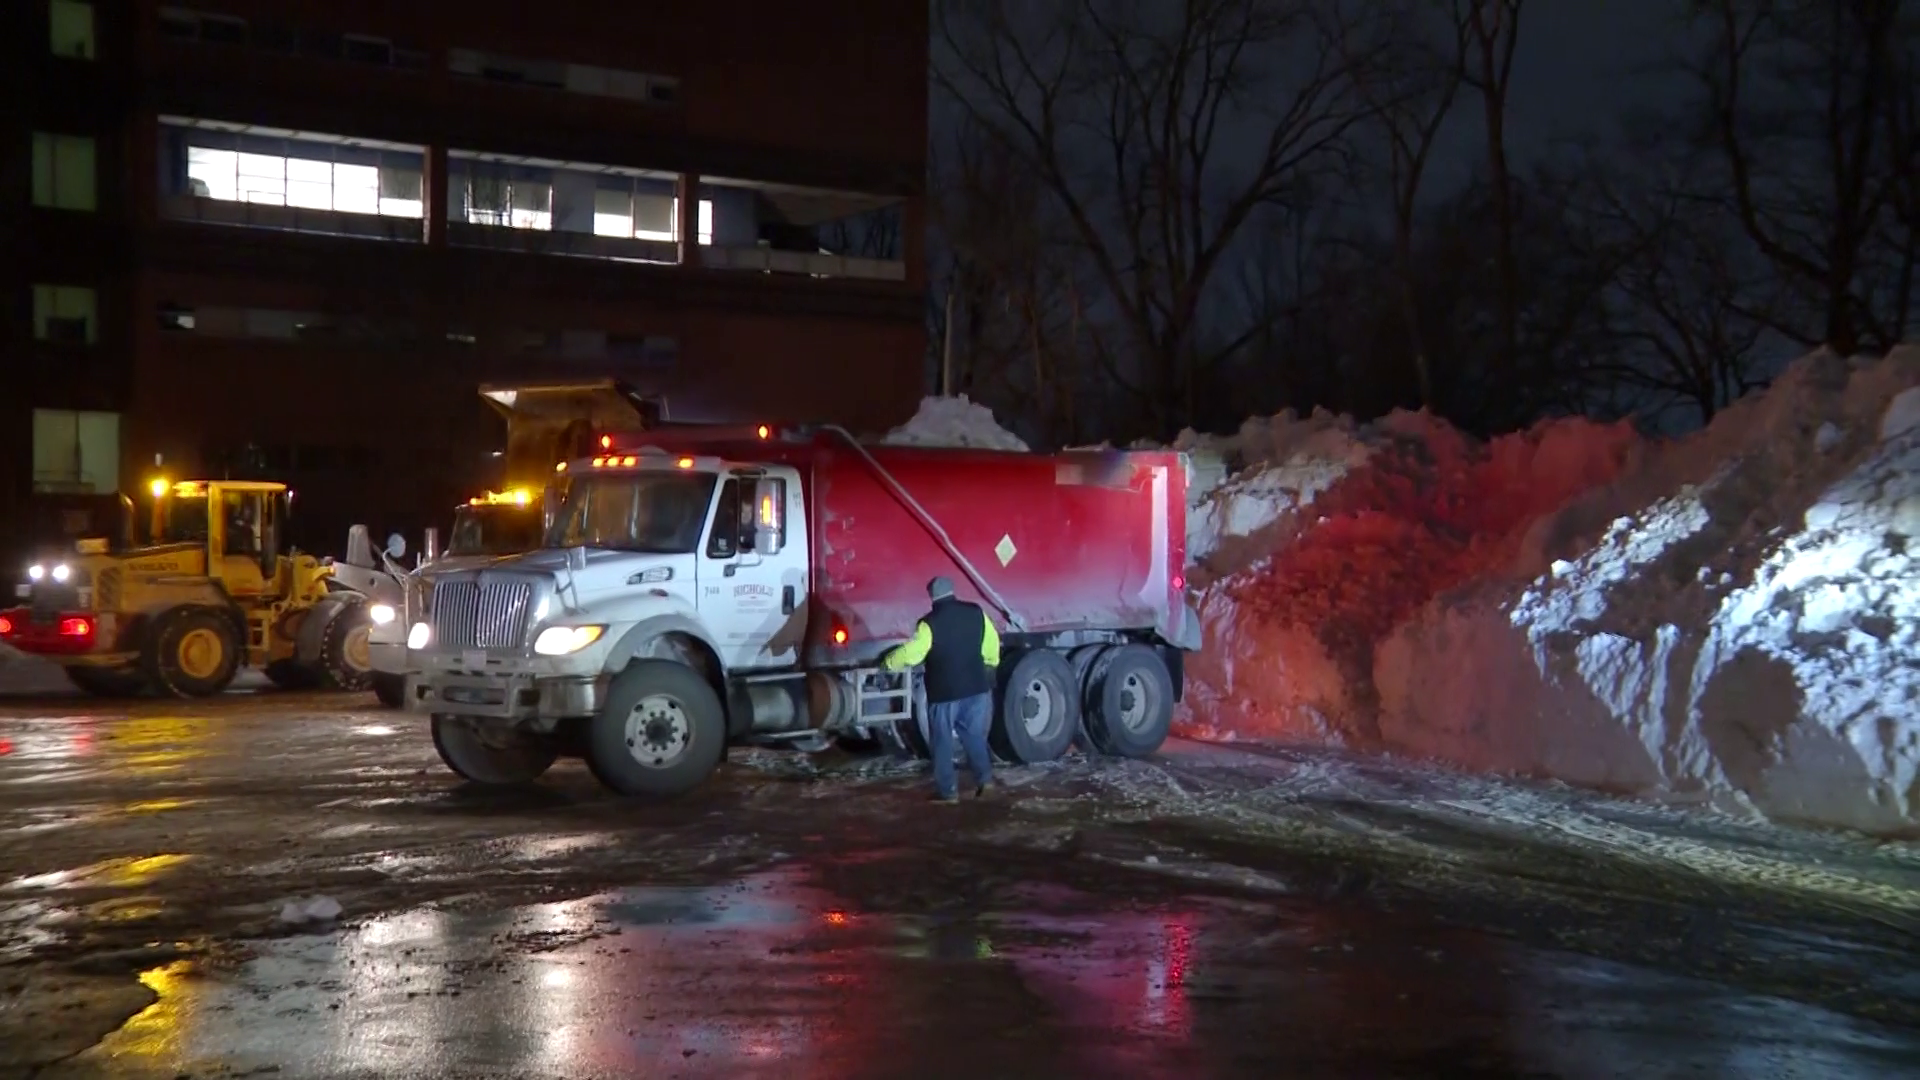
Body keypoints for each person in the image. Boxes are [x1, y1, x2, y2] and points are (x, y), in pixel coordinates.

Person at [883, 576, 1000, 803]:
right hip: (976, 689)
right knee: (974, 736)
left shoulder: (929, 623)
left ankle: (948, 793)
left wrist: (888, 663)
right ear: (952, 591)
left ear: (932, 597)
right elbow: (992, 643)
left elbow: (913, 653)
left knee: (943, 742)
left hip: (945, 694)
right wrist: (991, 664)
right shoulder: (976, 612)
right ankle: (985, 782)